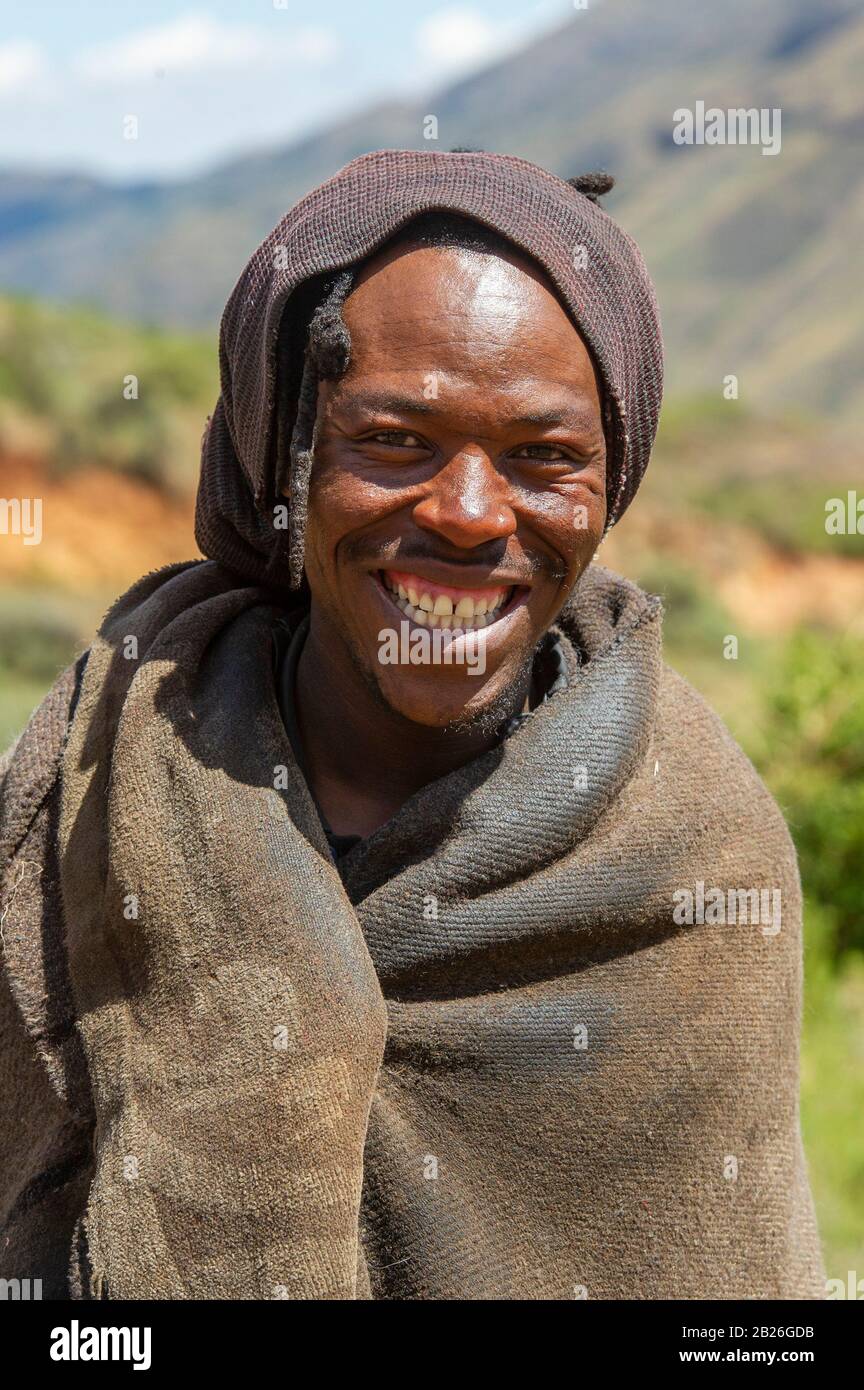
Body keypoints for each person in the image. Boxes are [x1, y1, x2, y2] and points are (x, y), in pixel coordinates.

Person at [0, 149, 823, 1300]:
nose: (473, 516)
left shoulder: (691, 859)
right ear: (285, 456)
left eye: (544, 458)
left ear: (612, 482)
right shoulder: (98, 775)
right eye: (394, 441)